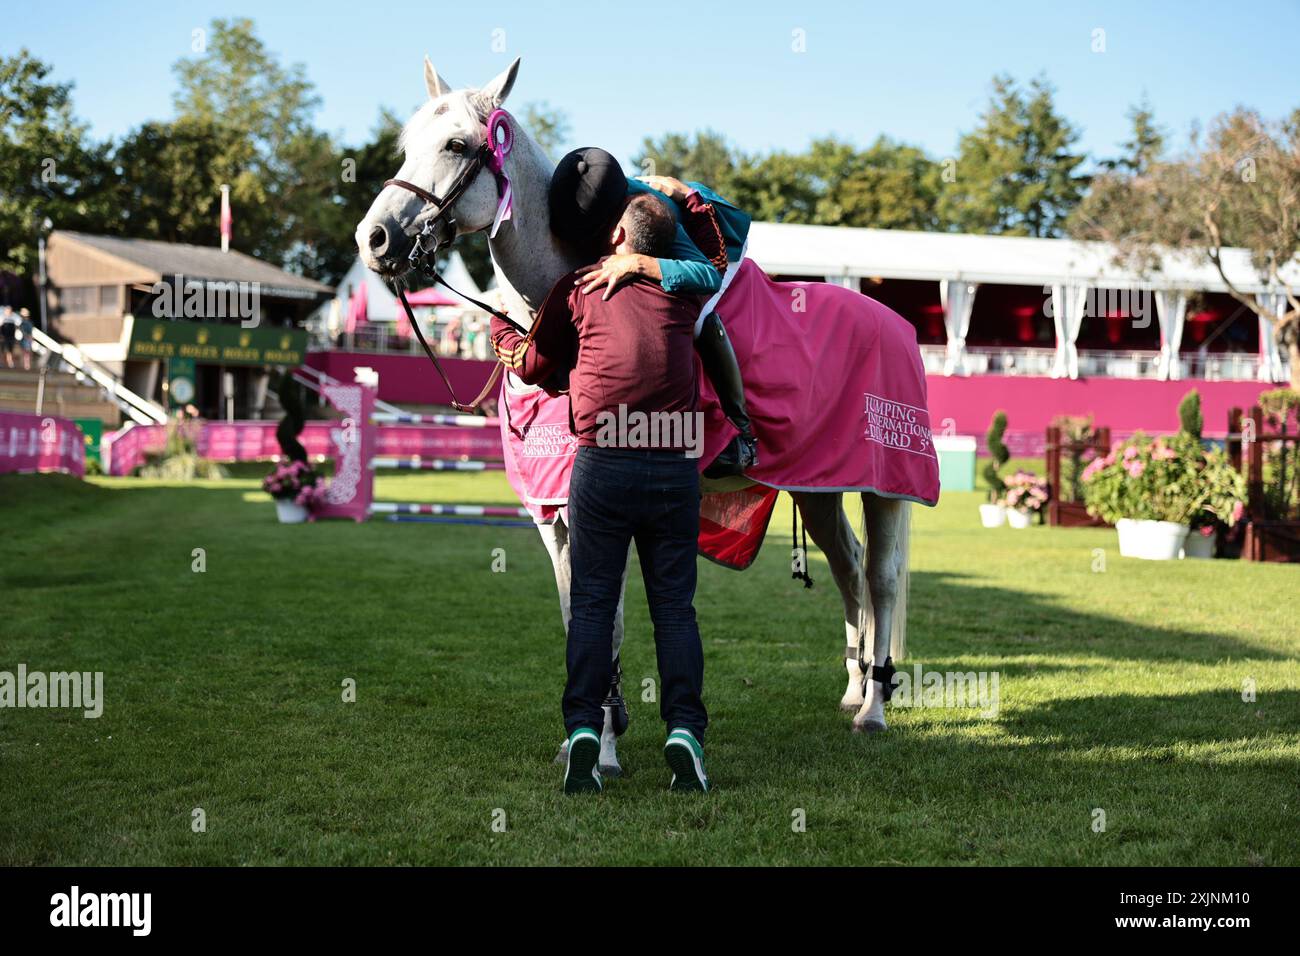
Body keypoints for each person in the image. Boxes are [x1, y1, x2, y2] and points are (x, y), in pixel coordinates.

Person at [489, 188, 727, 795]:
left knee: (592, 605)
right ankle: (685, 734)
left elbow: (533, 367)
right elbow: (712, 262)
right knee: (675, 608)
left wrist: (504, 336)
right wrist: (674, 229)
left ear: (619, 238)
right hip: (674, 464)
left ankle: (584, 731)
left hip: (605, 464)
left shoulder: (578, 288)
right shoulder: (686, 286)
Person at [547, 148, 758, 478]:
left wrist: (639, 263)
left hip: (717, 246)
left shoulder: (651, 209)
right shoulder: (572, 192)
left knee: (702, 316)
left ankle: (742, 436)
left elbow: (708, 275)